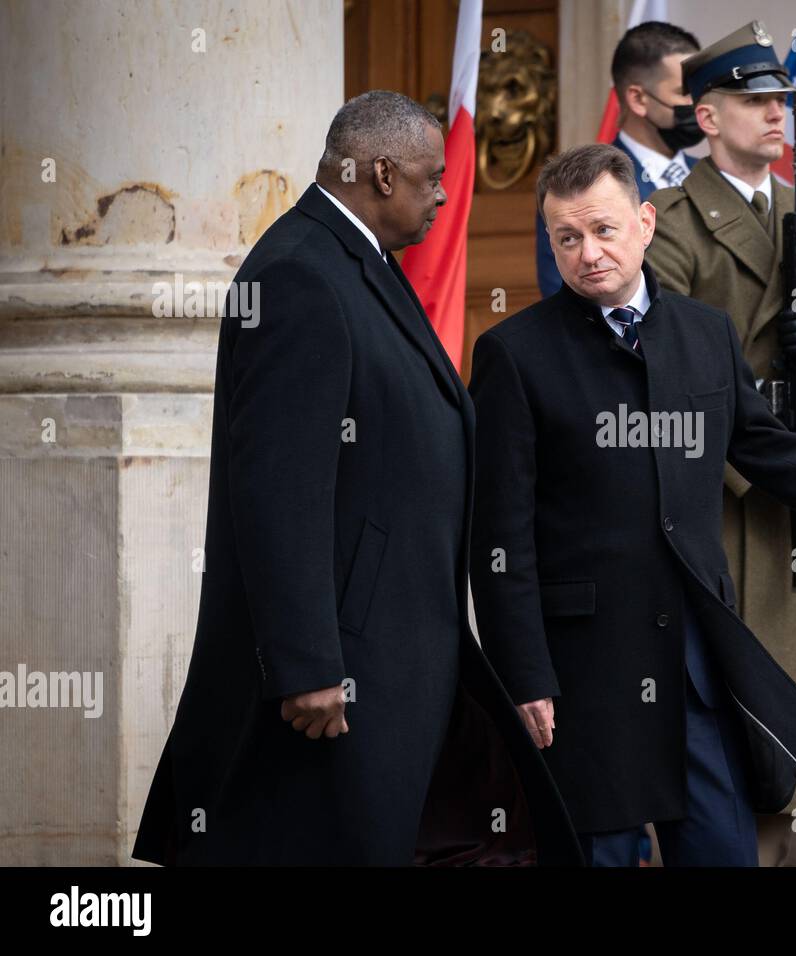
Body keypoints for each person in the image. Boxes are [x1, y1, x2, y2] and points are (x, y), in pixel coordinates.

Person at [470, 143, 796, 867]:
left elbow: (784, 458)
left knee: (725, 854)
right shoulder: (514, 352)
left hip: (696, 667)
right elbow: (500, 533)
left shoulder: (704, 334)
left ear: (645, 224)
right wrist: (525, 675)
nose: (587, 252)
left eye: (603, 229)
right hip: (583, 679)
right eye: (566, 238)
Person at [132, 91, 581, 866]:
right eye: (431, 177)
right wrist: (308, 664)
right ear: (380, 173)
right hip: (341, 675)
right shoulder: (299, 274)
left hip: (402, 655)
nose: (444, 193)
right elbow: (278, 487)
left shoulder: (358, 261)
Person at [644, 20, 796, 863]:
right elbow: (658, 361)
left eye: (781, 100)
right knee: (703, 742)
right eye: (753, 102)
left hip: (787, 516)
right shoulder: (670, 224)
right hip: (708, 503)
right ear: (707, 118)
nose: (775, 115)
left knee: (774, 754)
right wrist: (753, 453)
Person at [535, 20, 702, 298]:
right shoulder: (584, 183)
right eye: (684, 93)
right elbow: (562, 295)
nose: (698, 104)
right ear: (638, 98)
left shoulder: (709, 176)